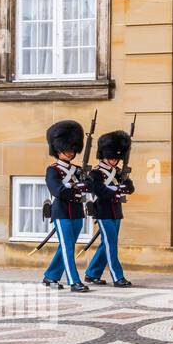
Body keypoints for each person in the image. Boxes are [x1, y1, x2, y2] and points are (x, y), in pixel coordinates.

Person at [41, 120, 90, 292]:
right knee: (68, 247)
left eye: (72, 149)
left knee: (66, 246)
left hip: (76, 211)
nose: (70, 152)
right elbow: (57, 190)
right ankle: (73, 281)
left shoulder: (78, 169)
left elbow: (89, 186)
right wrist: (75, 188)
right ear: (58, 149)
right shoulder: (53, 170)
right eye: (67, 149)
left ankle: (50, 276)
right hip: (61, 212)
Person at [83, 130, 135, 287]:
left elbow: (130, 188)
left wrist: (122, 186)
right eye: (112, 157)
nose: (114, 160)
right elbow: (100, 191)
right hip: (103, 212)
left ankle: (92, 273)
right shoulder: (96, 173)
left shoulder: (118, 173)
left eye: (117, 158)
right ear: (103, 155)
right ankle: (117, 277)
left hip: (116, 211)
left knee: (106, 244)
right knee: (111, 244)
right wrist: (119, 189)